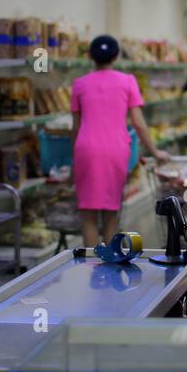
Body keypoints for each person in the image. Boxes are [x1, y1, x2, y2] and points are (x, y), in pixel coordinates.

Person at [71, 34, 171, 247]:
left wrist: (73, 160)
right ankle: (109, 267)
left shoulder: (79, 84)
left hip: (86, 149)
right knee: (111, 214)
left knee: (88, 216)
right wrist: (155, 151)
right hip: (116, 150)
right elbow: (139, 123)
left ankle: (89, 267)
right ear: (116, 56)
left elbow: (76, 127)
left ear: (90, 56)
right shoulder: (128, 82)